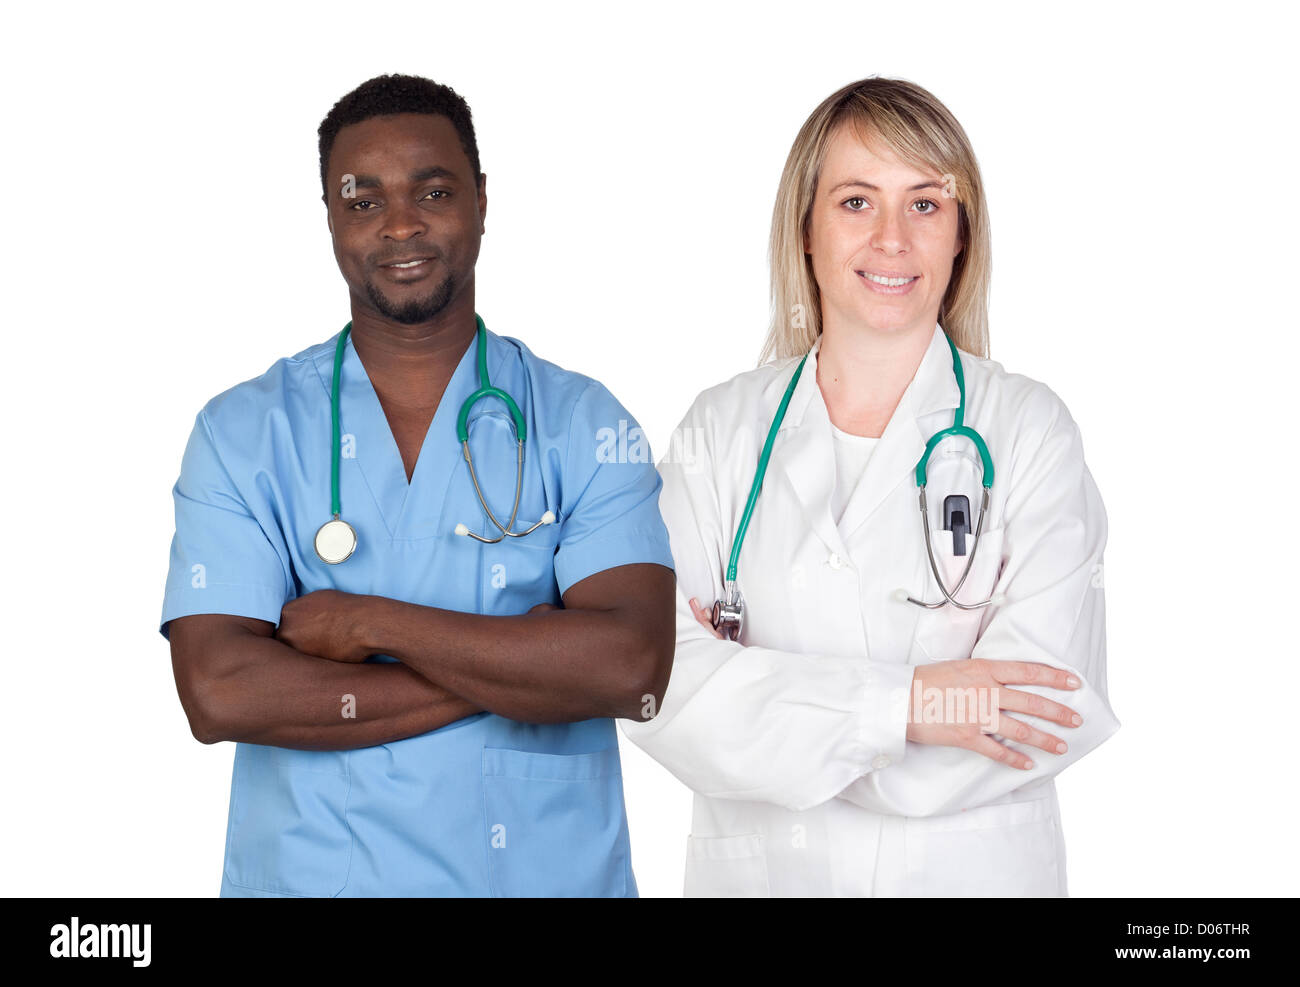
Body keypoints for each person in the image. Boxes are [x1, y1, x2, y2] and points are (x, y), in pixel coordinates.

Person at [159, 74, 675, 897]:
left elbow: (632, 670)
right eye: (364, 201)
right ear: (330, 218)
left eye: (432, 192)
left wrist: (368, 621)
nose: (401, 224)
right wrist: (525, 668)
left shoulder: (582, 422)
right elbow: (220, 692)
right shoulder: (244, 433)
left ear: (481, 201)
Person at [621, 77, 1120, 897]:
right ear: (806, 229)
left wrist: (760, 709)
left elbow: (1041, 711)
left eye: (925, 204)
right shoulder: (720, 431)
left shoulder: (1030, 431)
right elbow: (654, 682)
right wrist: (912, 706)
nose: (893, 238)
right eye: (856, 202)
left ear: (961, 235)